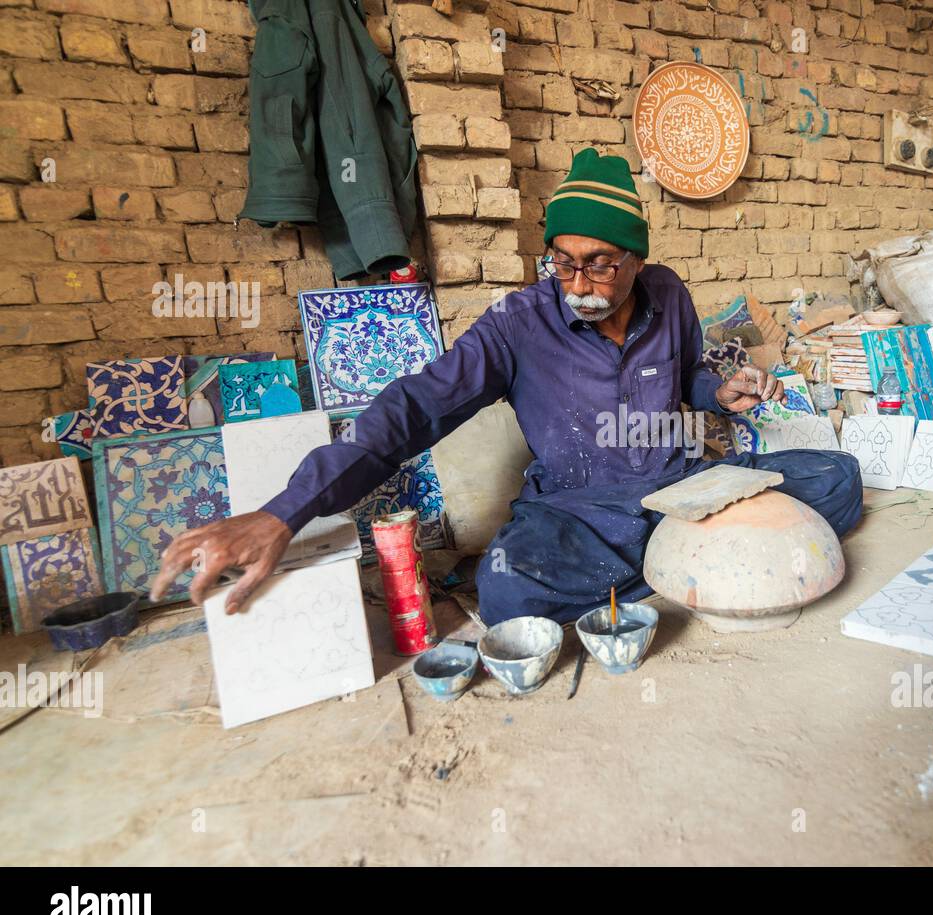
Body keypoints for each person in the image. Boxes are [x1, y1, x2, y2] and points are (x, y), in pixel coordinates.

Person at [150, 149, 863, 623]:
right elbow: (413, 409)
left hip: (683, 489)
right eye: (562, 262)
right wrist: (284, 512)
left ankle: (668, 559)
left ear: (638, 260)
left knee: (838, 476)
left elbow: (686, 379)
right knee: (507, 588)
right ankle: (677, 564)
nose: (578, 284)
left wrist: (715, 393)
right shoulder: (518, 324)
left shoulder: (669, 294)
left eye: (600, 264)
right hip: (584, 512)